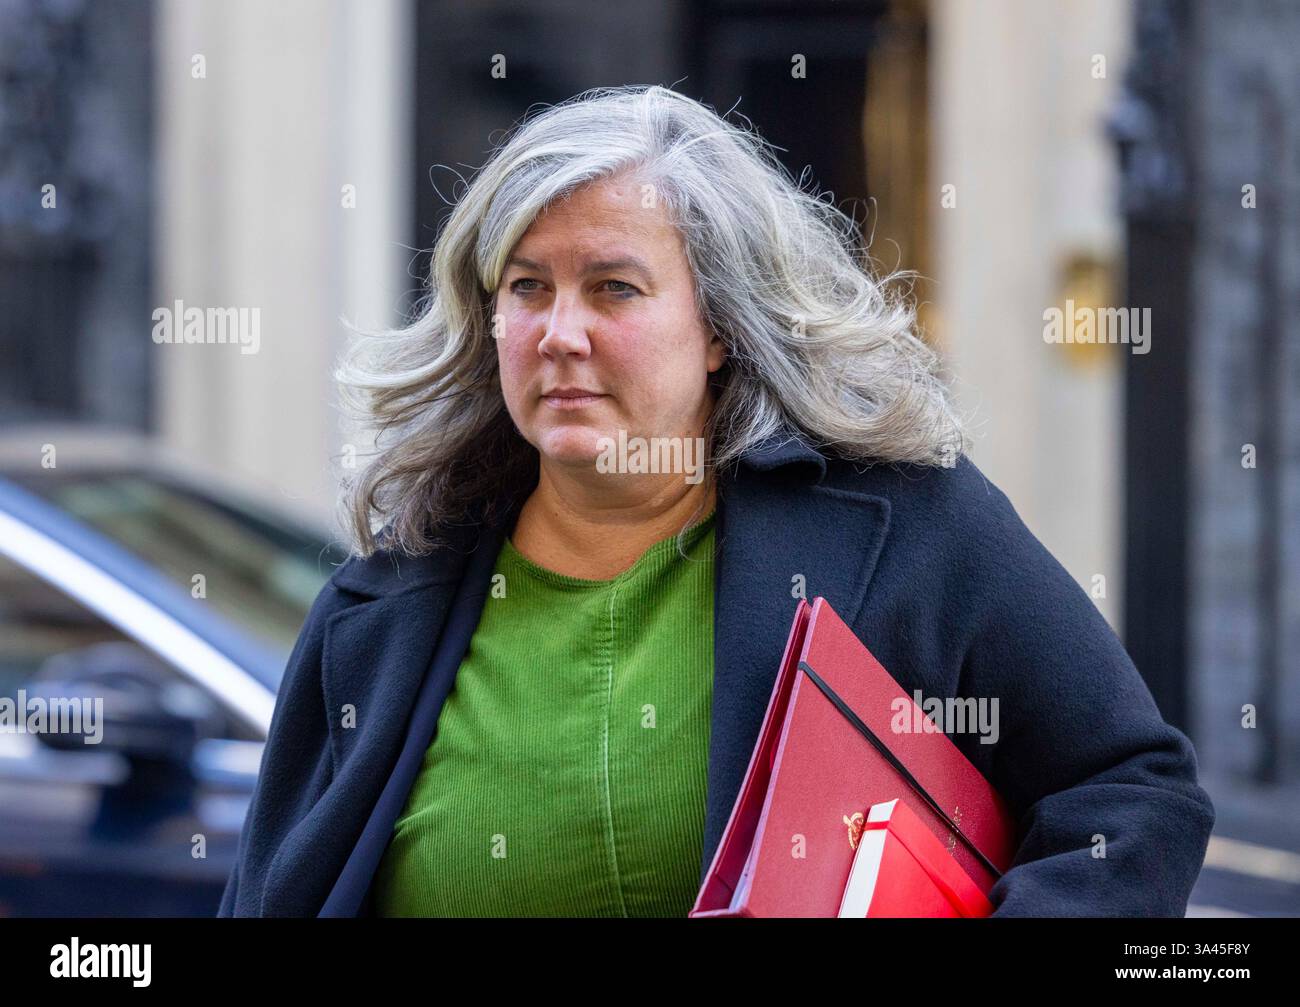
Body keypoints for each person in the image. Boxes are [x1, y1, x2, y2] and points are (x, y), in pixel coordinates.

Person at [217, 84, 1214, 917]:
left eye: (613, 288)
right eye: (526, 288)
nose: (560, 331)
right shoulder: (382, 605)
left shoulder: (909, 525)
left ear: (719, 328)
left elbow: (1131, 790)